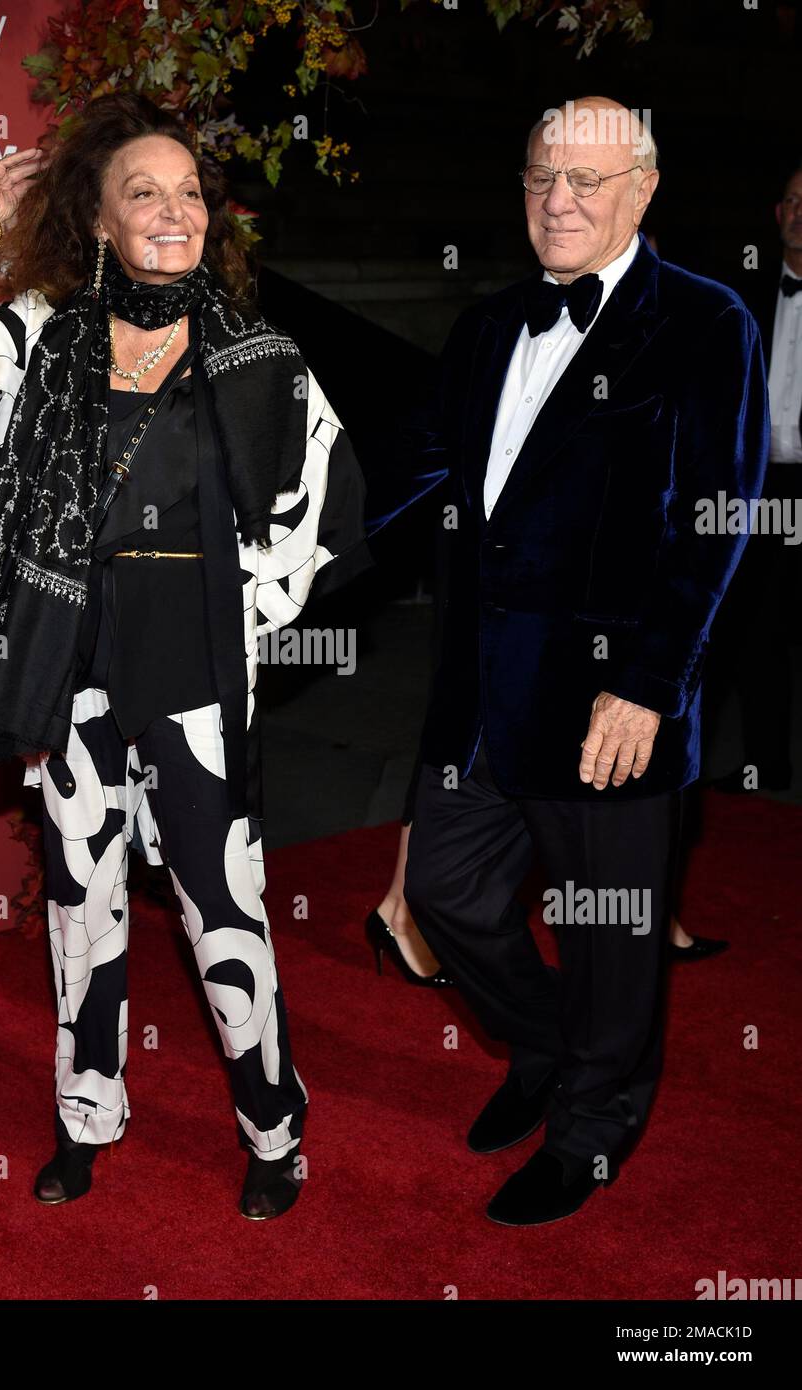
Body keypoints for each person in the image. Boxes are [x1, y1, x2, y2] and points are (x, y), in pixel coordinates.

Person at [0, 92, 368, 1221]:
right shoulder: (43, 335)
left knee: (224, 917)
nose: (175, 209)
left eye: (190, 191)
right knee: (79, 914)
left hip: (192, 675)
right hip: (74, 674)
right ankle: (85, 1115)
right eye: (143, 191)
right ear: (97, 219)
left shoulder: (256, 354)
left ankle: (273, 1129)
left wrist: (249, 619)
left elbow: (326, 508)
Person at [366, 96, 769, 1225]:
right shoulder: (492, 323)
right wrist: (274, 538)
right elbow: (417, 466)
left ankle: (594, 1128)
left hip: (609, 699)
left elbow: (715, 516)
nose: (559, 199)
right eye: (544, 175)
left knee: (609, 938)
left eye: (588, 181)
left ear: (643, 190)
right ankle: (544, 1047)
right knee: (443, 895)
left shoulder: (705, 321)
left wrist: (651, 682)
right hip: (479, 696)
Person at [708, 160, 802, 794]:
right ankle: (765, 769)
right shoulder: (742, 290)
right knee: (751, 629)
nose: (799, 212)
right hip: (756, 486)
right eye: (792, 200)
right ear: (777, 214)